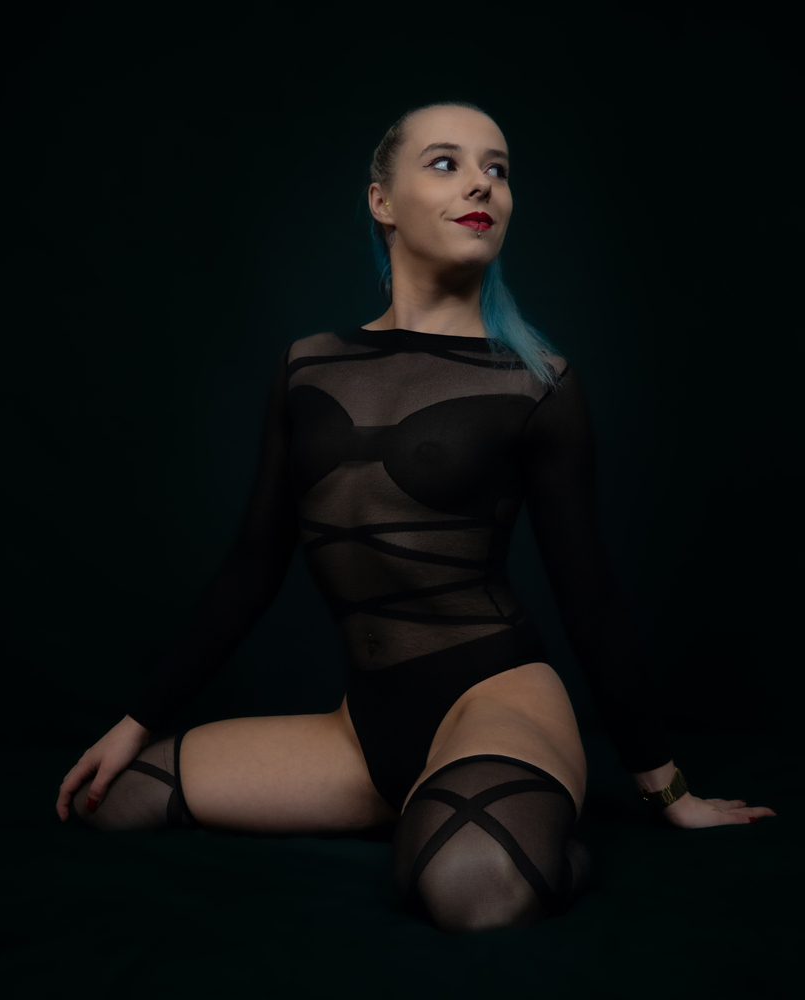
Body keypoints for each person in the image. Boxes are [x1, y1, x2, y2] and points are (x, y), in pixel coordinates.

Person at [56, 101, 776, 934]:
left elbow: (588, 595)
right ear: (381, 201)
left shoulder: (536, 382)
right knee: (113, 799)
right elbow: (253, 562)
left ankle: (537, 835)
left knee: (471, 887)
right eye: (445, 162)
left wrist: (666, 790)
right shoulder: (306, 365)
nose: (480, 183)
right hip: (360, 733)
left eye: (497, 169)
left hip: (496, 700)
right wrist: (136, 723)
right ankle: (426, 799)